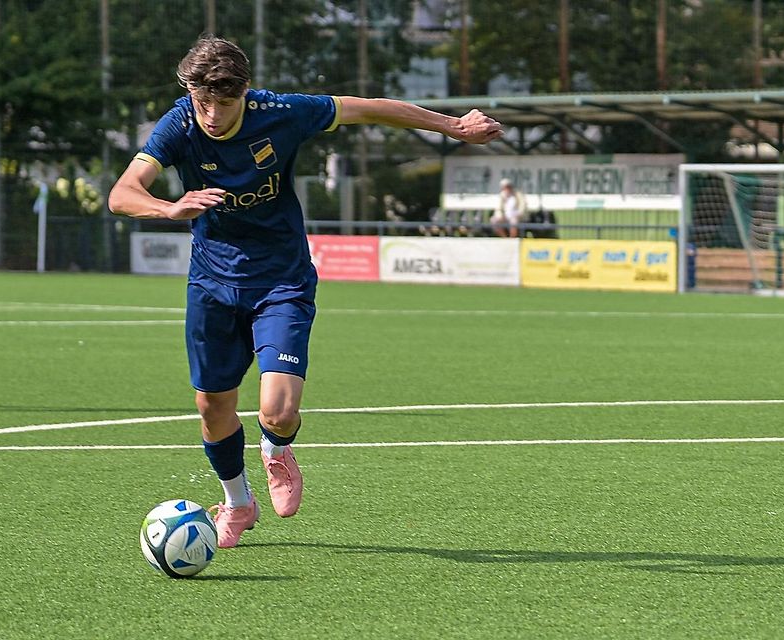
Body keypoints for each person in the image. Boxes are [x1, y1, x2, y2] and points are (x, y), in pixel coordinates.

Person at [108, 35, 502, 548]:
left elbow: (370, 109)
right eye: (202, 101)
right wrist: (167, 208)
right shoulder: (179, 123)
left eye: (222, 103)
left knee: (278, 409)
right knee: (212, 406)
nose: (209, 114)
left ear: (245, 92)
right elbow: (122, 194)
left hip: (281, 279)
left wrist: (453, 126)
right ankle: (237, 503)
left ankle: (276, 451)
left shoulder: (284, 113)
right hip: (212, 283)